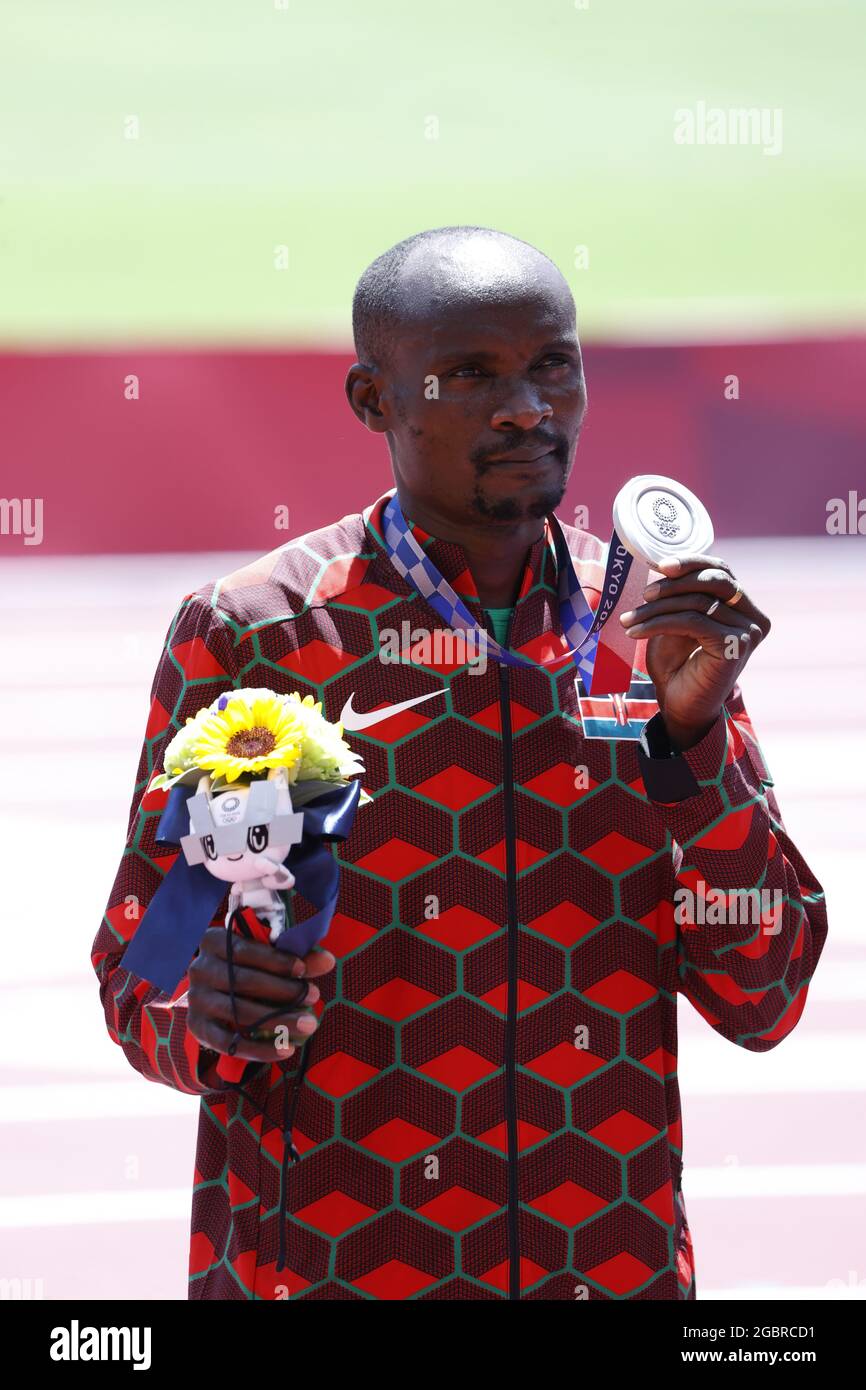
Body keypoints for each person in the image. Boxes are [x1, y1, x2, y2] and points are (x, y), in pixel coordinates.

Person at [92, 225, 828, 1300]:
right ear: (371, 399)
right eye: (471, 374)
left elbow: (760, 994)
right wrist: (202, 1012)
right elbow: (142, 978)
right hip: (327, 1271)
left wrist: (693, 746)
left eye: (550, 365)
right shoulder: (261, 632)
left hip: (605, 1270)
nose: (525, 407)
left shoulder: (649, 627)